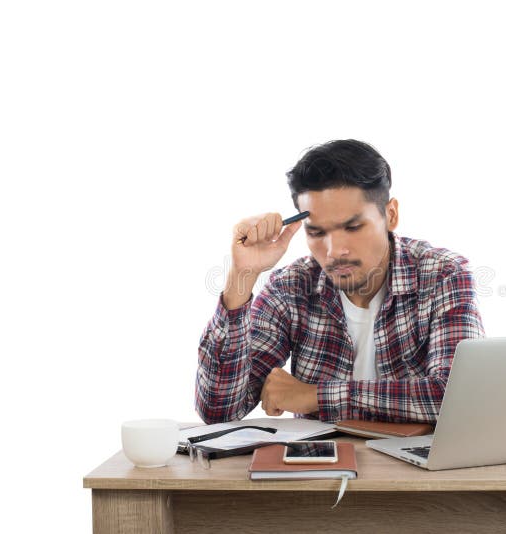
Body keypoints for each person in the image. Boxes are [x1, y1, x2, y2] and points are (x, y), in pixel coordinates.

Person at [195, 139, 485, 424]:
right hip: (319, 469)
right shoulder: (291, 287)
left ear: (391, 215)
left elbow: (460, 399)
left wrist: (317, 397)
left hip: (415, 469)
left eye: (353, 227)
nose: (335, 251)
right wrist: (241, 276)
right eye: (318, 233)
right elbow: (218, 412)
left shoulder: (443, 275)